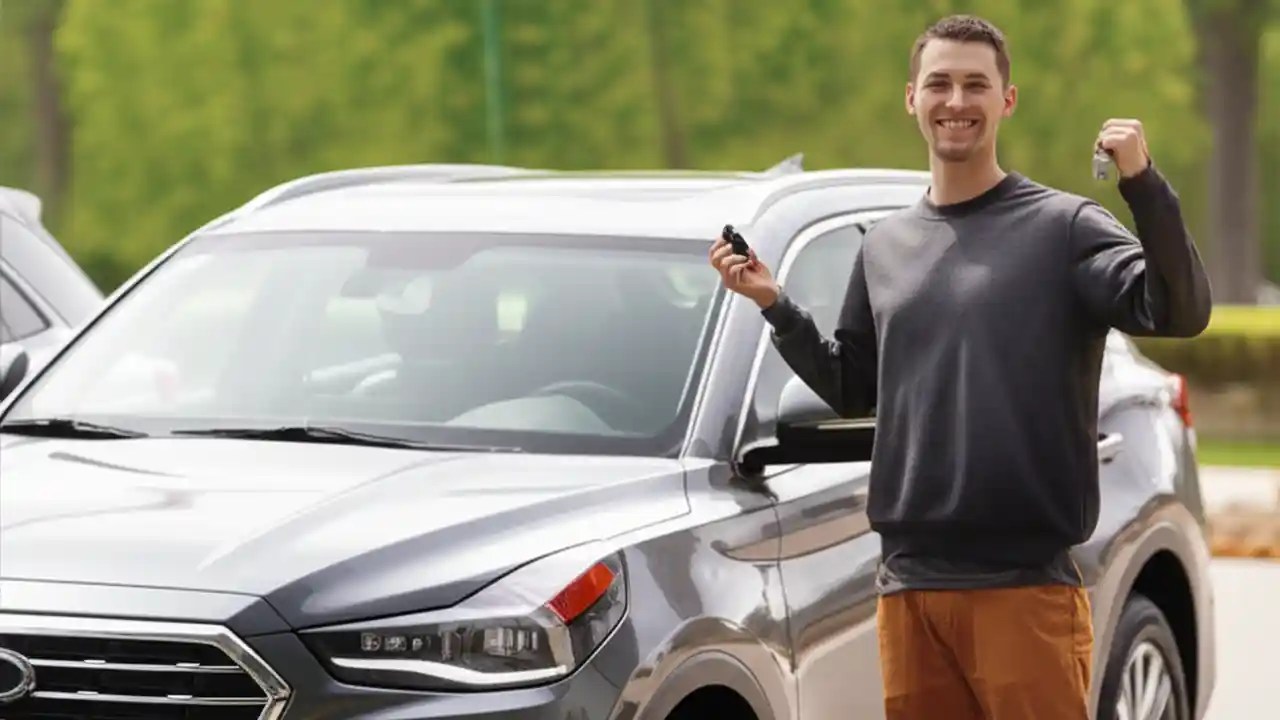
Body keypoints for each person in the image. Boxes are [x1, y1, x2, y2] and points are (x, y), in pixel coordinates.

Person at [709, 14, 1212, 720]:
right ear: (911, 98)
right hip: (909, 590)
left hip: (1023, 588)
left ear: (1007, 100)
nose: (956, 101)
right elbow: (855, 387)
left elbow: (1180, 311)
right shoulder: (885, 246)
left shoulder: (1063, 229)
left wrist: (1143, 184)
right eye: (939, 83)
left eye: (976, 85)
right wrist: (775, 303)